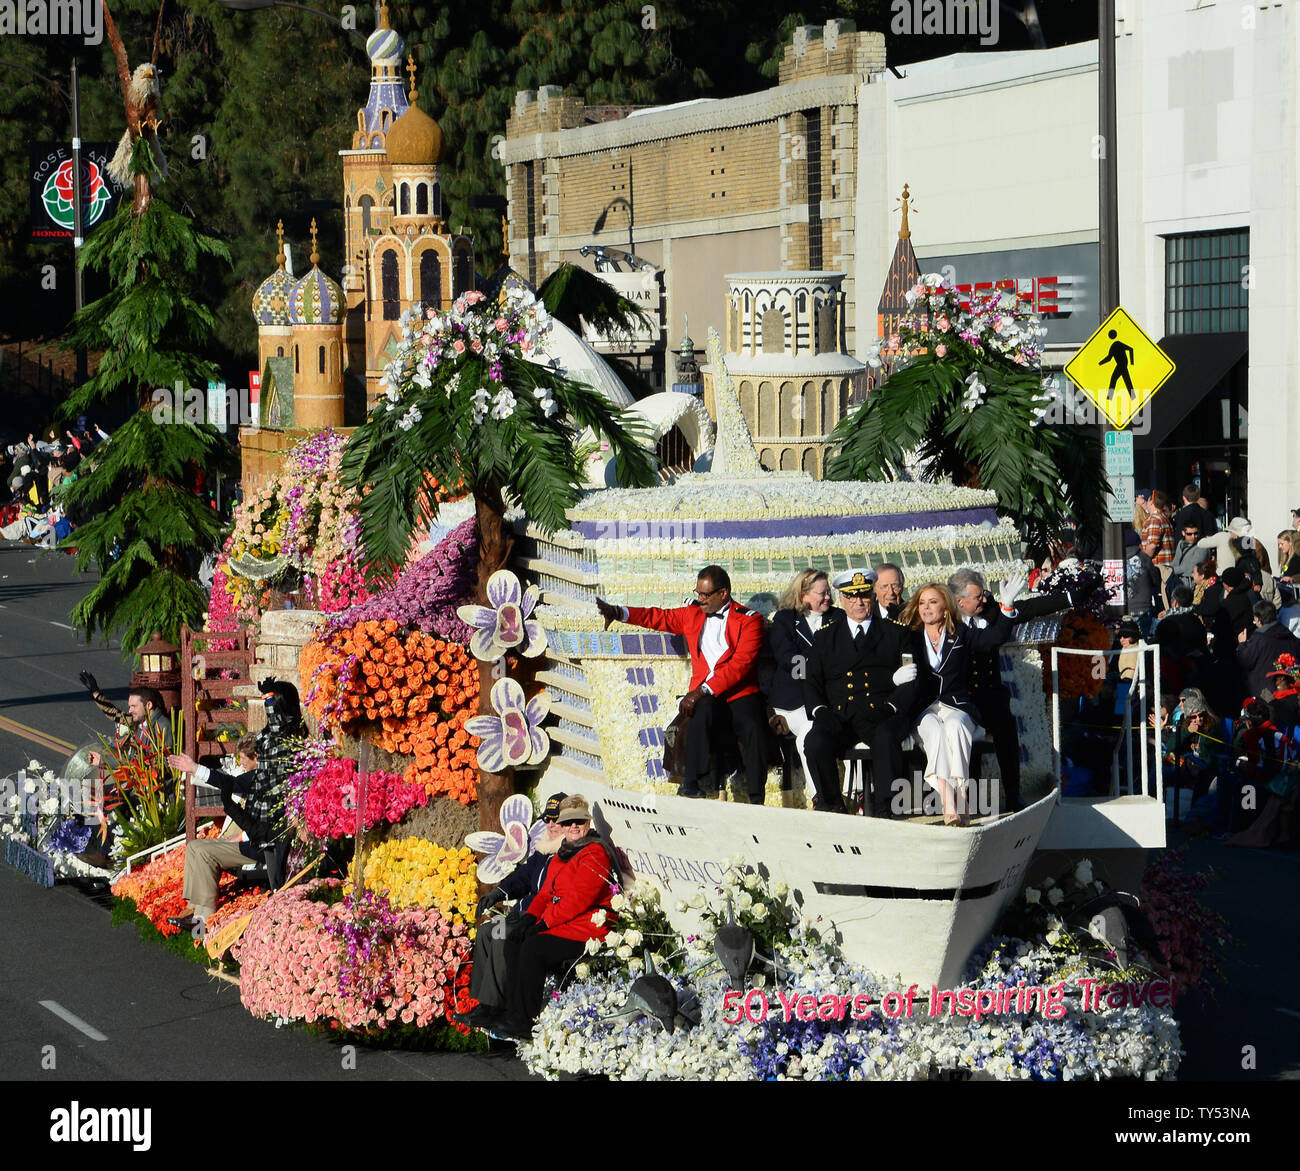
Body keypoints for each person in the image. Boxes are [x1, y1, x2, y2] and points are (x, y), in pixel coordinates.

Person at [596, 565, 768, 802]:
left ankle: (757, 795)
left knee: (752, 725)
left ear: (723, 594)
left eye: (705, 595)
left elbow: (740, 665)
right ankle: (690, 784)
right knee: (701, 713)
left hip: (738, 692)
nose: (700, 599)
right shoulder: (693, 614)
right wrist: (619, 612)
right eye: (698, 593)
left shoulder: (750, 621)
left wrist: (701, 690)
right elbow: (658, 617)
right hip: (706, 695)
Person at [492, 795, 619, 1042]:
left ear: (588, 822)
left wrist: (542, 924)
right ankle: (513, 1012)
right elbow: (544, 893)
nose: (574, 826)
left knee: (533, 947)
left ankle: (525, 1020)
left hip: (588, 927)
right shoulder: (563, 853)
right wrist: (529, 918)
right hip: (563, 922)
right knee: (512, 938)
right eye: (569, 822)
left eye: (579, 821)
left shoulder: (594, 853)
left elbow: (576, 901)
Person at [802, 568, 917, 816]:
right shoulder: (825, 637)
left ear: (873, 597)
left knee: (886, 738)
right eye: (852, 597)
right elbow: (810, 680)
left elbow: (910, 680)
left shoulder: (896, 633)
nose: (859, 603)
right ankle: (831, 804)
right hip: (842, 714)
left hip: (882, 711)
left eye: (864, 596)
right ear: (841, 600)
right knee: (815, 741)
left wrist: (891, 707)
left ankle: (888, 808)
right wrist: (821, 712)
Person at [900, 580, 1017, 825]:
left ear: (946, 607)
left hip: (957, 705)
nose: (926, 608)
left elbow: (993, 638)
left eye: (933, 602)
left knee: (955, 727)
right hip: (924, 707)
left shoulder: (961, 633)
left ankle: (960, 793)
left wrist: (1007, 607)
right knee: (935, 731)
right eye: (922, 603)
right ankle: (948, 799)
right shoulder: (909, 636)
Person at [458, 792, 567, 1029]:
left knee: (500, 935)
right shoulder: (544, 849)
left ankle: (496, 1008)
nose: (551, 825)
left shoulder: (567, 852)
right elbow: (524, 877)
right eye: (548, 819)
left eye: (556, 820)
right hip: (523, 913)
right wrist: (498, 893)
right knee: (487, 932)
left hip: (540, 919)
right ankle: (482, 1004)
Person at [948, 566, 1052, 812]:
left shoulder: (988, 615)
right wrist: (1007, 609)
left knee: (1007, 737)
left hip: (992, 695)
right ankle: (969, 800)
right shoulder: (952, 625)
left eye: (983, 594)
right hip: (965, 699)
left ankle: (1013, 794)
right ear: (959, 601)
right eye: (977, 597)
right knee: (969, 744)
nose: (984, 600)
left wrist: (1071, 597)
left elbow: (1026, 613)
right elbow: (993, 639)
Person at [160, 734, 261, 930]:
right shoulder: (253, 775)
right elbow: (229, 782)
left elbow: (266, 825)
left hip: (256, 845)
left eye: (243, 758)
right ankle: (192, 908)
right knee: (194, 846)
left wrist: (241, 837)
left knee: (205, 853)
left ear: (256, 756)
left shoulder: (263, 779)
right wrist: (193, 769)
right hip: (248, 838)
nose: (240, 763)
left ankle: (203, 920)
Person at [767, 570, 842, 788]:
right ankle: (820, 795)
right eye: (822, 593)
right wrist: (818, 667)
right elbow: (787, 658)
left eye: (828, 592)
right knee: (810, 732)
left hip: (829, 695)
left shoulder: (838, 618)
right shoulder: (785, 620)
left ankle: (853, 792)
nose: (828, 597)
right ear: (803, 595)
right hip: (794, 698)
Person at [1236, 600, 1300, 701]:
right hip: (1288, 688)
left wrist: (1242, 644)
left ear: (1257, 619)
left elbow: (1245, 661)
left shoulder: (1259, 639)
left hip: (1266, 692)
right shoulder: (1287, 634)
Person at [1170, 519, 1210, 596]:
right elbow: (1176, 561)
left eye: (1195, 533)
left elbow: (1190, 567)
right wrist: (1167, 569)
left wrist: (1171, 571)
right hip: (1179, 582)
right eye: (1189, 534)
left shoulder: (1202, 546)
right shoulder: (1181, 543)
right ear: (1183, 533)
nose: (1193, 536)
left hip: (1192, 584)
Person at [1141, 489, 1175, 568]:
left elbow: (1152, 545)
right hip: (1167, 567)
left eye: (1147, 501)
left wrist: (1143, 560)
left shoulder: (1155, 519)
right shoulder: (1164, 518)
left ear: (1152, 502)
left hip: (1159, 568)